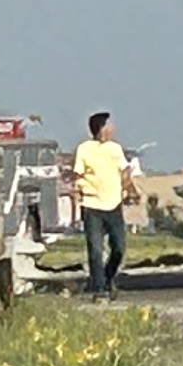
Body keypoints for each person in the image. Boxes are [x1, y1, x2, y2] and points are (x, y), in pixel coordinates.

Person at [73, 111, 134, 299]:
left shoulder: (115, 149)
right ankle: (99, 288)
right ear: (101, 128)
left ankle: (108, 276)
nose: (113, 128)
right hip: (92, 204)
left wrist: (127, 188)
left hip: (114, 204)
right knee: (96, 249)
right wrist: (77, 202)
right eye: (109, 125)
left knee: (119, 247)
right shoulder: (84, 149)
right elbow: (78, 175)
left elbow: (125, 170)